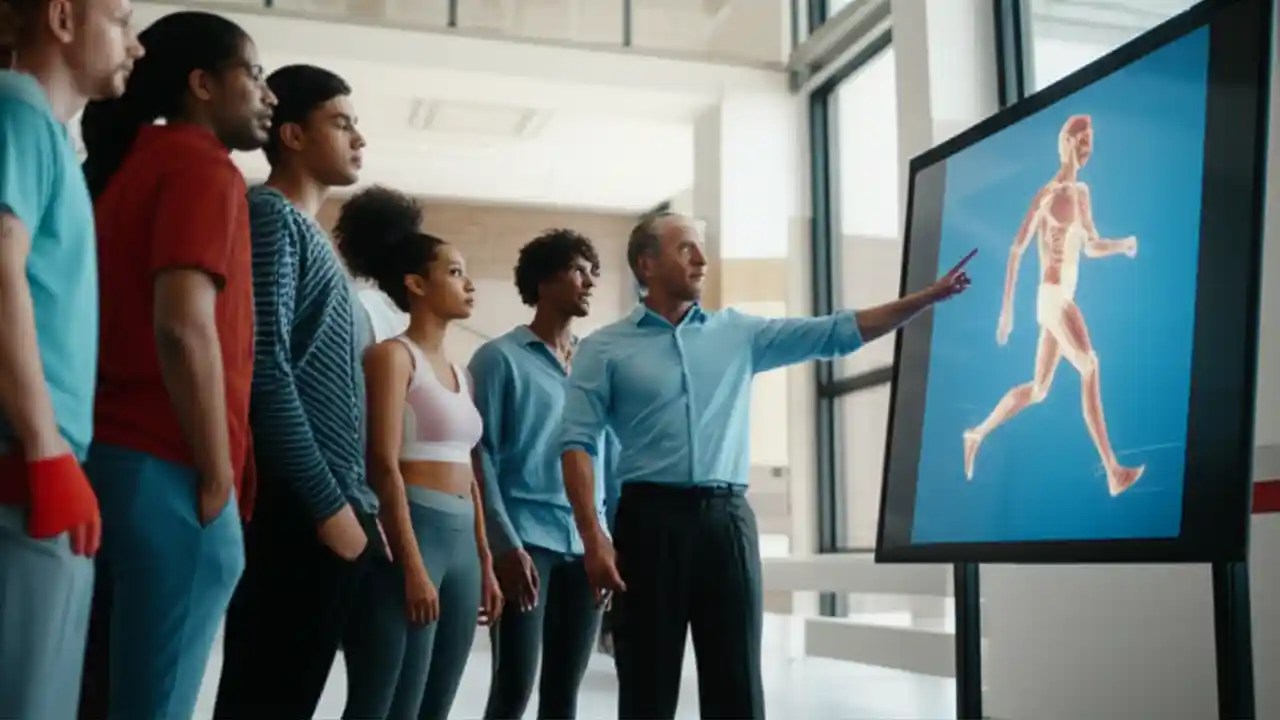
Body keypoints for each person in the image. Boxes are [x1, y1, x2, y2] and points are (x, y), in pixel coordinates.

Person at [559, 211, 973, 719]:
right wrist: (593, 536)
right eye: (686, 248)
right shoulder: (604, 348)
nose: (702, 260)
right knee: (646, 684)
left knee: (736, 686)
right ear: (646, 263)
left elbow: (835, 332)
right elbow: (576, 443)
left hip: (727, 521)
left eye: (701, 248)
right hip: (648, 525)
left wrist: (924, 299)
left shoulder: (739, 333)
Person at [76, 12, 275, 719]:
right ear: (201, 85)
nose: (268, 94)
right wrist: (217, 472)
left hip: (108, 460)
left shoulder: (128, 167)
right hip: (173, 468)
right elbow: (184, 325)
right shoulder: (200, 164)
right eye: (252, 75)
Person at [210, 63, 391, 720]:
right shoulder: (270, 217)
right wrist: (328, 507)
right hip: (296, 510)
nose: (358, 139)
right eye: (341, 123)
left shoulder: (312, 237)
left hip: (331, 506)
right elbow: (264, 368)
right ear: (290, 133)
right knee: (265, 697)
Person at [0, 2, 141, 718]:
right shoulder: (16, 114)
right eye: (120, 20)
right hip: (23, 466)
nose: (136, 45)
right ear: (62, 16)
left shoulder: (46, 136)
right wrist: (45, 448)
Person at [334, 186, 503, 720]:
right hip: (415, 536)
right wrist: (410, 564)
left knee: (437, 704)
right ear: (415, 284)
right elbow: (381, 465)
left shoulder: (462, 373)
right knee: (387, 702)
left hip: (461, 548)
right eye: (454, 272)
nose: (468, 283)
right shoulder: (391, 357)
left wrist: (485, 559)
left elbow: (471, 474)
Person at [471, 229, 618, 720]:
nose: (589, 282)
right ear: (544, 280)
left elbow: (609, 457)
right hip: (526, 543)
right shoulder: (498, 359)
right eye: (578, 270)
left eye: (592, 272)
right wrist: (502, 543)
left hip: (586, 545)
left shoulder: (595, 363)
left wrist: (608, 538)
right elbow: (480, 456)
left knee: (564, 696)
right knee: (513, 688)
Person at [962, 113, 1144, 496]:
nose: (1087, 148)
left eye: (1090, 141)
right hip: (1052, 297)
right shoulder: (1049, 194)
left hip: (1062, 298)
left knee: (1039, 389)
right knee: (1090, 364)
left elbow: (1091, 246)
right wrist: (1006, 310)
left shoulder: (1082, 194)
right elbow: (1016, 249)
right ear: (1067, 143)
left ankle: (976, 433)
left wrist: (1122, 244)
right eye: (1082, 140)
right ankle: (1113, 471)